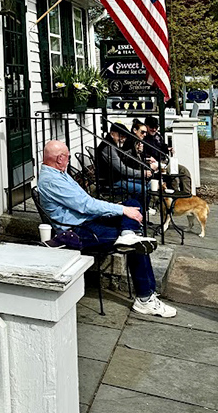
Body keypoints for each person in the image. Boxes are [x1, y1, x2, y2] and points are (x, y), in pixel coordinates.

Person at [39, 140, 176, 317]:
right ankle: (145, 299)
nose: (69, 160)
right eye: (68, 157)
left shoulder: (59, 174)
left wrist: (121, 209)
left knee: (133, 205)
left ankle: (128, 233)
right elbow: (86, 205)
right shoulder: (52, 180)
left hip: (90, 221)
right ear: (59, 159)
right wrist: (121, 210)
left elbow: (87, 203)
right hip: (80, 231)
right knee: (138, 244)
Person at [96, 122, 152, 199]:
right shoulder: (108, 148)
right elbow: (122, 169)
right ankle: (136, 205)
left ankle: (137, 203)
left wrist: (136, 151)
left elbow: (123, 159)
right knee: (142, 189)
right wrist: (142, 173)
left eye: (125, 137)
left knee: (147, 183)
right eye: (121, 136)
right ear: (112, 134)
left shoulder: (113, 144)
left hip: (118, 178)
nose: (123, 139)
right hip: (111, 182)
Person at [144, 115, 192, 193]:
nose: (154, 129)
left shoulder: (158, 136)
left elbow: (162, 145)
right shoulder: (143, 138)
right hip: (155, 163)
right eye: (151, 127)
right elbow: (140, 152)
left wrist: (167, 148)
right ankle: (175, 194)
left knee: (184, 171)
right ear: (146, 126)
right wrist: (148, 157)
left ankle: (187, 194)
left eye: (156, 127)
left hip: (164, 161)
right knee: (172, 173)